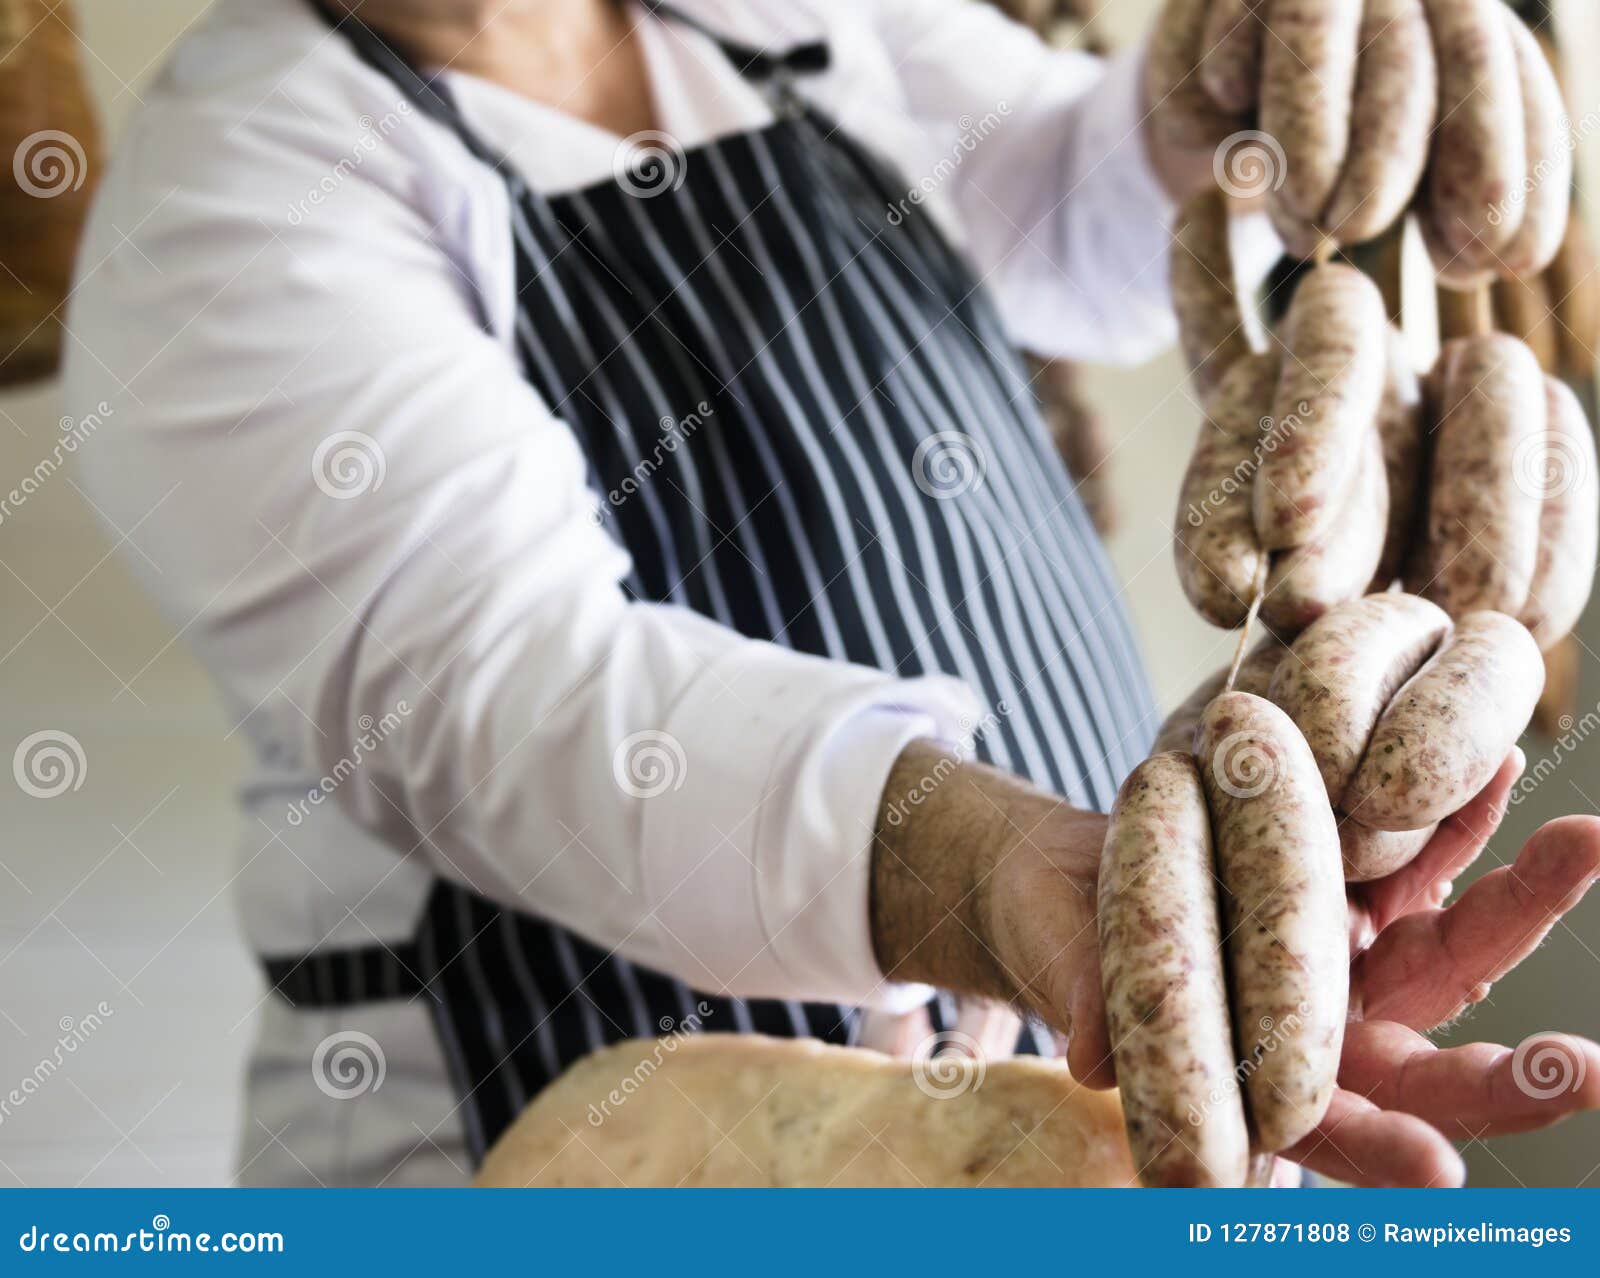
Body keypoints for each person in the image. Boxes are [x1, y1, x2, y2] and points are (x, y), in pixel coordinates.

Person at [63, 0, 1600, 1187]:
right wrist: (998, 875)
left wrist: (1214, 100)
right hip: (562, 1155)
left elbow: (1077, 216)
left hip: (1058, 1038)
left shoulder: (780, 18)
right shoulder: (237, 185)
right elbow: (521, 703)